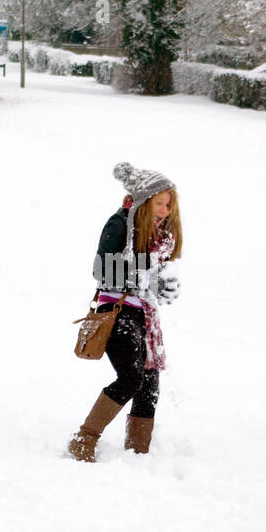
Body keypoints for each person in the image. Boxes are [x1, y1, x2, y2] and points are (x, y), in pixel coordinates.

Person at [67, 162, 183, 462]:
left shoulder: (157, 233)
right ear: (145, 200)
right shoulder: (119, 223)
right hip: (115, 311)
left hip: (143, 313)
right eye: (160, 203)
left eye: (169, 204)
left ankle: (138, 452)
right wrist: (146, 276)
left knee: (149, 381)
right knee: (131, 377)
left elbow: (150, 274)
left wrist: (162, 285)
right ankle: (84, 439)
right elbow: (100, 269)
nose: (165, 210)